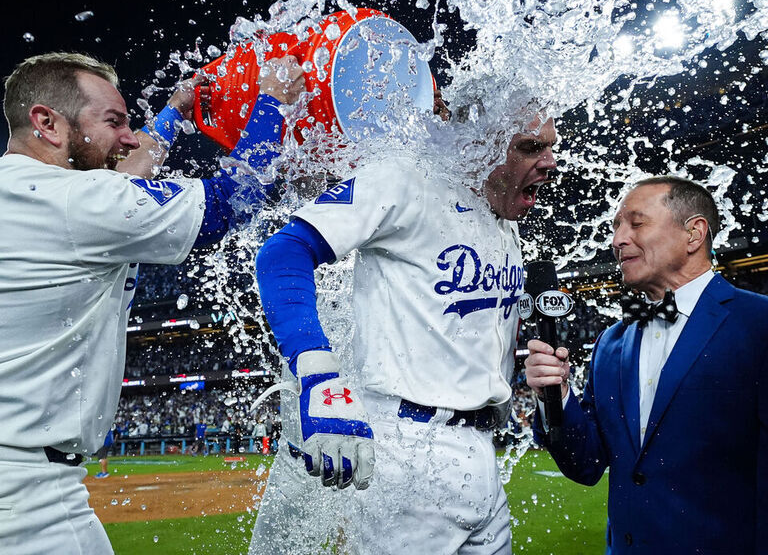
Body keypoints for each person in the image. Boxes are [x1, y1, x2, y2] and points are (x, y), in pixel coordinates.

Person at [0, 51, 305, 554]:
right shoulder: (77, 203)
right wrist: (272, 101)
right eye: (114, 121)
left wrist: (177, 111)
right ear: (47, 123)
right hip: (30, 500)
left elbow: (124, 179)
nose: (127, 136)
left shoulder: (31, 192)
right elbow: (234, 197)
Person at [251, 113, 557, 553]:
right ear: (480, 145)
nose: (550, 162)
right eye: (530, 147)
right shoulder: (407, 180)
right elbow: (283, 254)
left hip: (482, 449)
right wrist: (318, 374)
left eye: (550, 146)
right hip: (408, 450)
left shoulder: (503, 220)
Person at [525, 176, 768, 554]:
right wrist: (554, 395)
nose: (618, 239)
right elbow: (586, 463)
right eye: (616, 227)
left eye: (636, 223)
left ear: (694, 234)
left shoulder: (758, 324)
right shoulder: (611, 343)